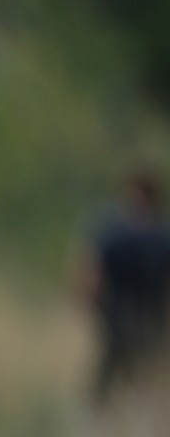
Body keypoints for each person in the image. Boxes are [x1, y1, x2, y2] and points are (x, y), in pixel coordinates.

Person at [74, 167, 170, 400]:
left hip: (116, 319)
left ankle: (102, 421)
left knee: (107, 385)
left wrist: (93, 308)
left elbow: (89, 275)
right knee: (150, 381)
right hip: (153, 320)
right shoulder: (163, 235)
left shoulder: (110, 231)